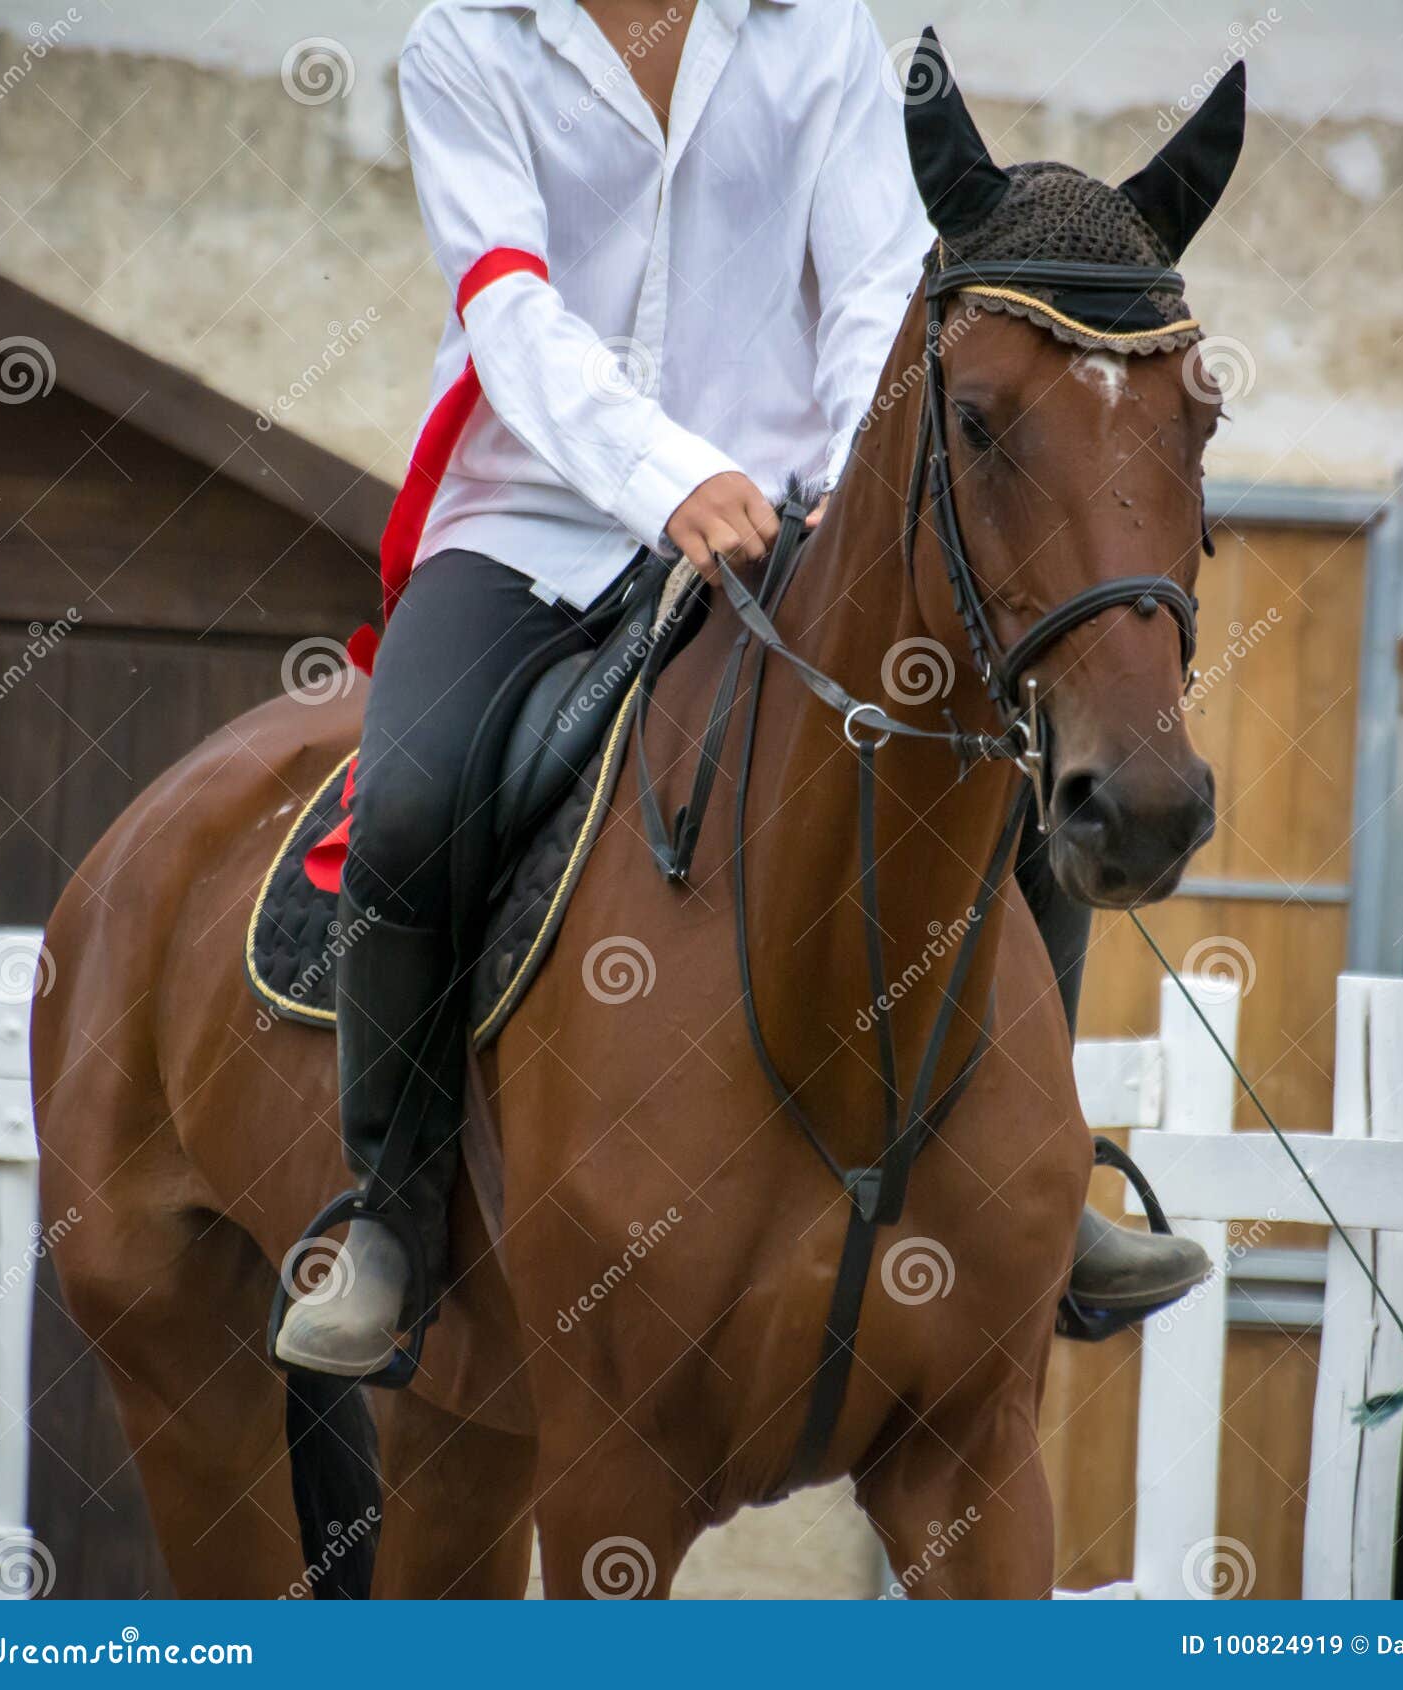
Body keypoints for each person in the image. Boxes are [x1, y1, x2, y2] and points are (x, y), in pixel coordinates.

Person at [275, 0, 1207, 1377]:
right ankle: (391, 1219)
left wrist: (843, 479)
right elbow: (509, 308)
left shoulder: (818, 33)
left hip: (786, 513)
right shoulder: (464, 41)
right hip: (531, 514)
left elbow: (883, 280)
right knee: (412, 804)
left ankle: (1046, 1183)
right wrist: (665, 477)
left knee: (1009, 752)